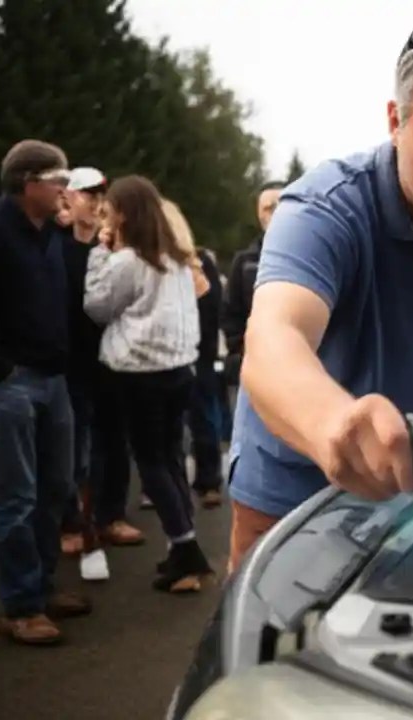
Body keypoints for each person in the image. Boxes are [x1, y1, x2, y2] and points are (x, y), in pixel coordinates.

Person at [228, 18, 413, 575]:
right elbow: (272, 340)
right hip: (292, 489)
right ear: (395, 121)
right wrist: (334, 425)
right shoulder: (323, 209)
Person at [0, 140, 90, 645]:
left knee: (55, 489)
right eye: (59, 179)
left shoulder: (48, 234)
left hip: (53, 380)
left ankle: (42, 587)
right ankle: (21, 605)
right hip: (9, 383)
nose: (66, 189)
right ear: (29, 182)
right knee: (17, 497)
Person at [84, 177, 213, 593]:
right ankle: (183, 548)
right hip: (178, 370)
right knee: (170, 456)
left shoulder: (127, 261)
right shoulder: (176, 260)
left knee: (151, 462)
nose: (104, 217)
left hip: (138, 374)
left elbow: (98, 307)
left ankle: (186, 548)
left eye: (108, 210)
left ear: (123, 213)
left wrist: (99, 254)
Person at [57, 166, 139, 583]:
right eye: (86, 194)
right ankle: (71, 522)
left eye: (100, 194)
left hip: (109, 358)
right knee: (74, 446)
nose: (96, 201)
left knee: (113, 438)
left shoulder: (112, 246)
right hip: (69, 359)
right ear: (68, 199)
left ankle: (111, 515)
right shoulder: (56, 244)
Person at [162, 200, 225, 509]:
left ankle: (209, 481)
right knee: (168, 426)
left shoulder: (199, 263)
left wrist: (209, 355)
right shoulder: (151, 263)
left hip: (196, 354)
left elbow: (212, 309)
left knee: (203, 421)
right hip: (166, 355)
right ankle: (165, 485)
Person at [220, 180, 283, 386]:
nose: (275, 212)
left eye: (281, 204)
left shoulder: (314, 255)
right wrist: (242, 349)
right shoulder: (245, 261)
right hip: (255, 365)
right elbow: (231, 311)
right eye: (268, 208)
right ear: (259, 215)